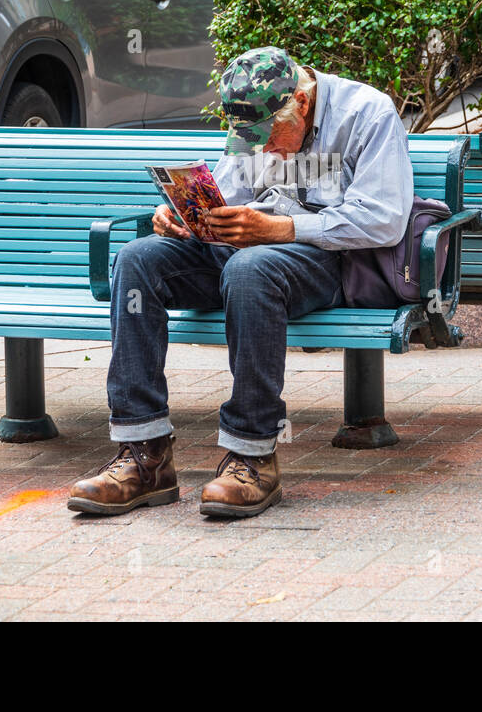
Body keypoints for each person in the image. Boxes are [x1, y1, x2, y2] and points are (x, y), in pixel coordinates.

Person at [66, 48, 414, 520]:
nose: (263, 149)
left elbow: (384, 219)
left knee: (250, 270)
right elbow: (230, 194)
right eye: (251, 139)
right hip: (247, 246)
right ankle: (144, 455)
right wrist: (185, 213)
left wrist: (281, 229)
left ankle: (253, 455)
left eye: (270, 136)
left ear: (302, 103)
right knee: (137, 259)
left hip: (325, 256)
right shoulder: (254, 124)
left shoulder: (367, 114)